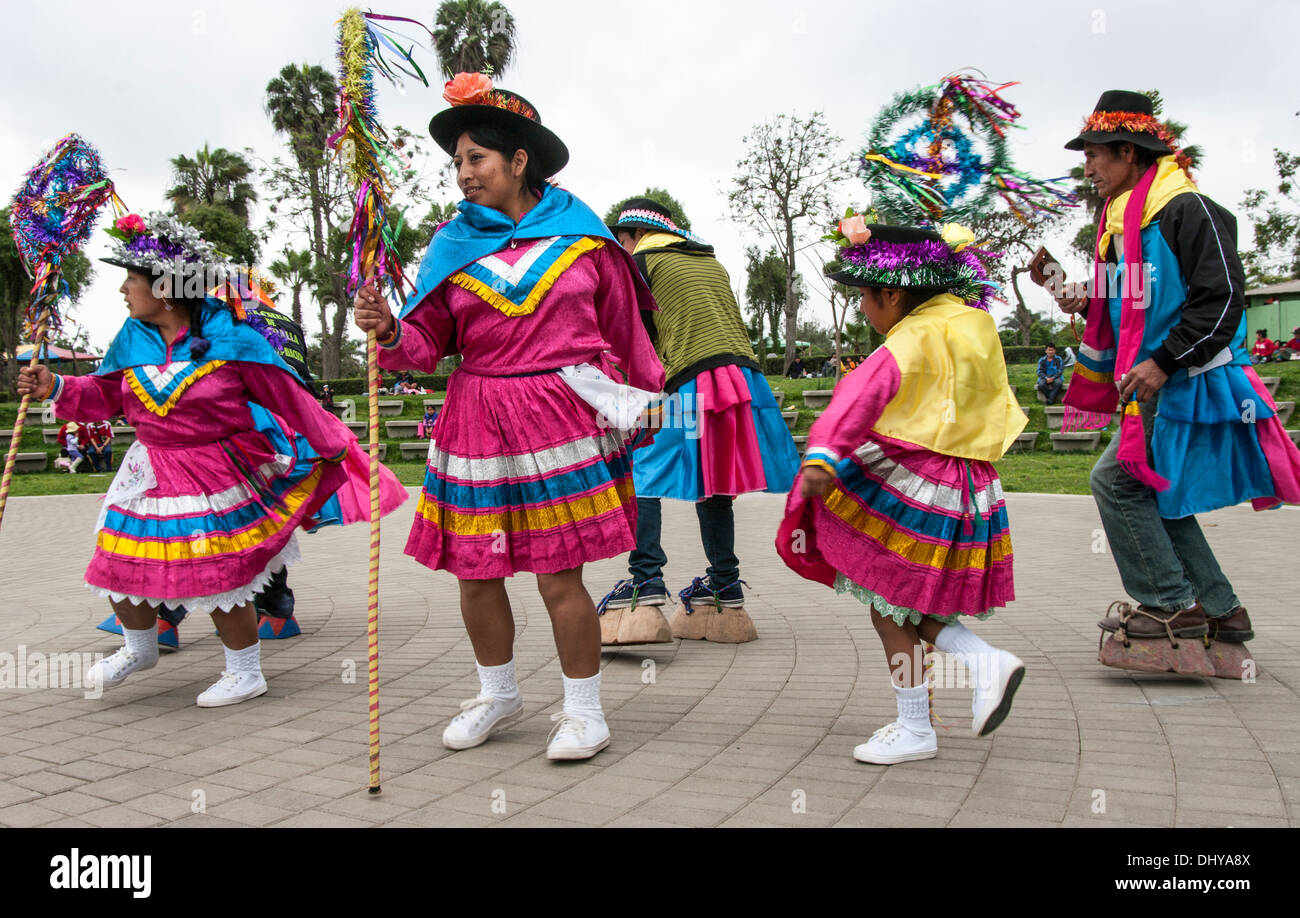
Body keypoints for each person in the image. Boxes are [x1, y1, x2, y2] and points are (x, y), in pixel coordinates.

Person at [352, 73, 665, 760]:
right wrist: (386, 330)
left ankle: (584, 711)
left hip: (560, 421)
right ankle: (498, 692)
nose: (464, 174)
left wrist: (638, 404)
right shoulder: (451, 246)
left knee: (559, 575)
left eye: (477, 159)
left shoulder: (585, 240)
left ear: (519, 161)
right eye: (458, 162)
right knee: (477, 571)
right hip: (476, 419)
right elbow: (424, 344)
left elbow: (628, 331)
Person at [19, 211, 403, 706]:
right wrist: (57, 385)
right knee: (116, 563)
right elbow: (106, 393)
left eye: (130, 280)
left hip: (215, 471)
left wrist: (337, 449)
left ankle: (244, 671)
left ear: (166, 289)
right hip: (147, 471)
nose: (123, 291)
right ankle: (140, 648)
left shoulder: (234, 339)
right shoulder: (130, 339)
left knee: (221, 572)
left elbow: (289, 398)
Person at [1052, 90, 1300, 661]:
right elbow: (1123, 303)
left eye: (1095, 154)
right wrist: (1074, 295)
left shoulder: (1189, 210)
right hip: (1153, 379)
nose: (1088, 168)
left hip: (1184, 377)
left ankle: (1167, 605)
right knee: (1152, 492)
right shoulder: (1122, 224)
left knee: (1116, 483)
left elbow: (1222, 301)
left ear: (1129, 153)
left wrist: (1165, 361)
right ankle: (1220, 610)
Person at [777, 223, 1027, 765]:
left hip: (914, 482)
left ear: (892, 293)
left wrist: (823, 451)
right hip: (970, 485)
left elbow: (861, 394)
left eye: (865, 297)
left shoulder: (912, 337)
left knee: (888, 602)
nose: (865, 310)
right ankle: (937, 704)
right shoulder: (974, 322)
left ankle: (953, 690)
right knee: (898, 601)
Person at [598, 197, 799, 634]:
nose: (621, 248)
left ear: (633, 234)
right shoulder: (708, 260)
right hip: (742, 378)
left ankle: (645, 579)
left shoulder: (641, 263)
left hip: (691, 381)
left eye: (621, 241)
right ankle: (725, 586)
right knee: (714, 483)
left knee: (642, 467)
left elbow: (633, 339)